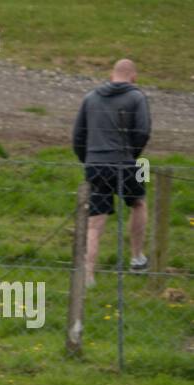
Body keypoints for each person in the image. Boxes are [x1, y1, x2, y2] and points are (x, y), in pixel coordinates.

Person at [72, 58, 151, 286]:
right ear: (133, 76)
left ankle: (88, 274)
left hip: (96, 164)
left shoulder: (90, 98)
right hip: (127, 163)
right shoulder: (137, 97)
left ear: (111, 74)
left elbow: (78, 136)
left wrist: (88, 160)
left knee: (95, 221)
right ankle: (137, 258)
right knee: (138, 202)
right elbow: (143, 132)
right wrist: (131, 156)